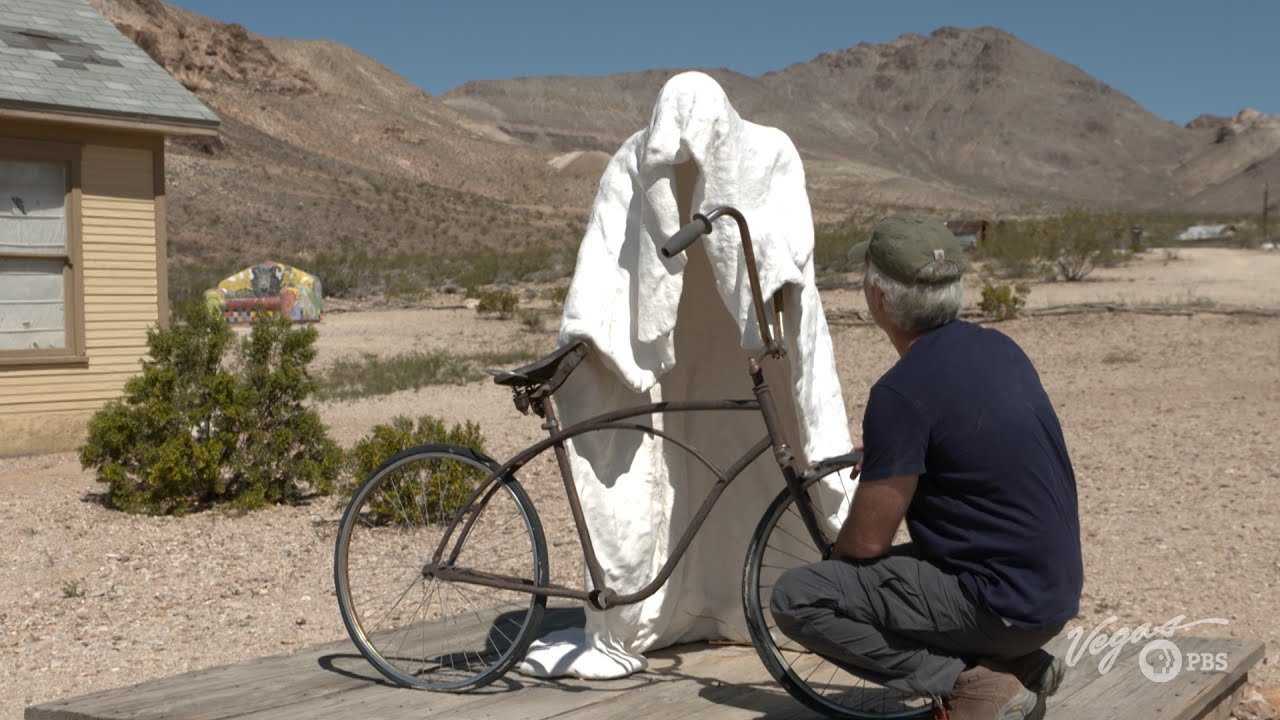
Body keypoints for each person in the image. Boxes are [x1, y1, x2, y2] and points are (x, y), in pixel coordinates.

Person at [770, 215, 1083, 720]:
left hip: (998, 602)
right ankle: (1023, 663)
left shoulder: (900, 391)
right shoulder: (999, 348)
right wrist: (899, 454)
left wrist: (837, 557)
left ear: (878, 297)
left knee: (801, 596)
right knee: (899, 578)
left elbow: (867, 544)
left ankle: (971, 685)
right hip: (1051, 592)